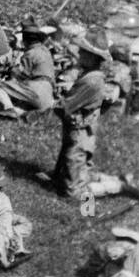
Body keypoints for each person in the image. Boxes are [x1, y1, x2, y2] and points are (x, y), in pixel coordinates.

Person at [53, 32, 116, 200]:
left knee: (73, 192)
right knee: (73, 162)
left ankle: (110, 188)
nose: (79, 54)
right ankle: (94, 180)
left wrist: (56, 102)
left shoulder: (91, 80)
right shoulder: (91, 75)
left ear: (93, 57)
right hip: (80, 129)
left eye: (83, 52)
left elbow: (65, 106)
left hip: (80, 131)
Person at [0, 17, 56, 118]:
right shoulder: (46, 51)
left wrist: (10, 69)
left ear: (25, 39)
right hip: (48, 94)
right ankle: (22, 114)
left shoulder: (30, 53)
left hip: (36, 89)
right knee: (22, 102)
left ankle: (9, 109)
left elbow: (19, 75)